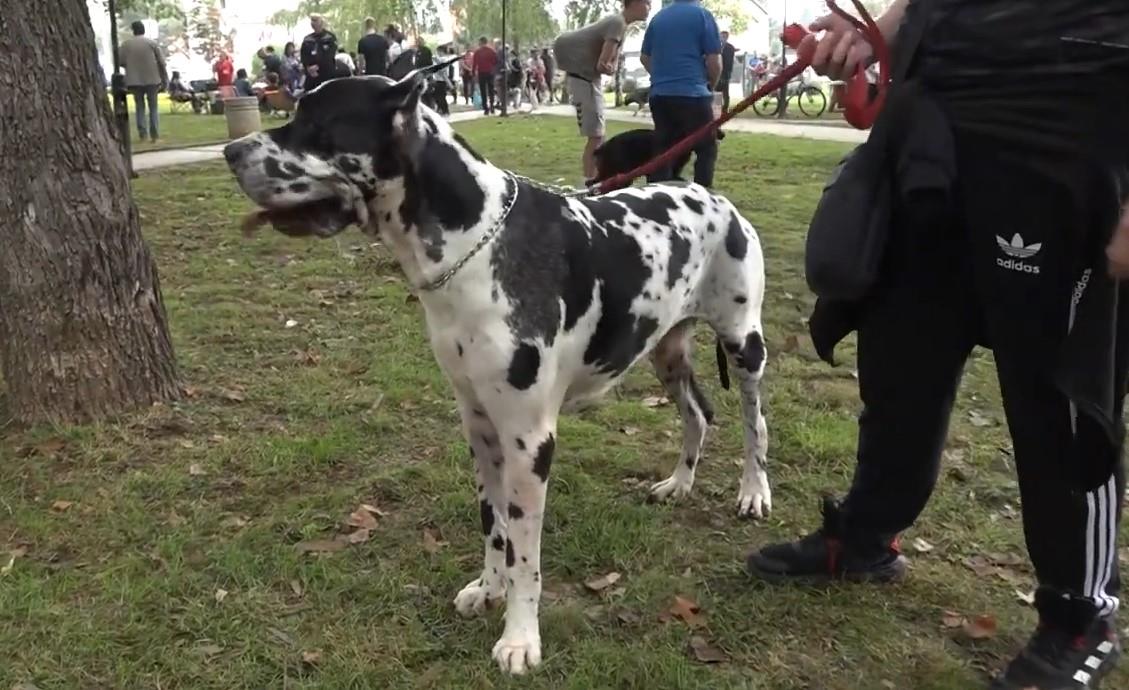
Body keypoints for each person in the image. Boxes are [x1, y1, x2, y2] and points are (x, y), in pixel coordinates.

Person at [743, 1, 1129, 689]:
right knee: (898, 360)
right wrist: (870, 35)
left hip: (1063, 141)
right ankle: (865, 536)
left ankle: (1079, 614)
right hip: (933, 136)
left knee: (1057, 401)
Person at [552, 0, 651, 180]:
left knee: (598, 135)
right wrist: (611, 68)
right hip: (584, 81)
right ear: (634, 3)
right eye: (647, 3)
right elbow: (603, 65)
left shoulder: (620, 25)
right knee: (596, 136)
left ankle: (596, 180)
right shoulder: (617, 23)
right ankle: (590, 183)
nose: (649, 8)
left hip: (587, 80)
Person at [640, 0, 722, 187]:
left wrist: (662, 76)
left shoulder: (658, 18)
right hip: (693, 94)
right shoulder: (703, 16)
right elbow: (714, 60)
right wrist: (710, 85)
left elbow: (645, 57)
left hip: (660, 95)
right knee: (706, 148)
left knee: (664, 149)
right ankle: (703, 195)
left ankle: (657, 195)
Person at [119, 20, 167, 143]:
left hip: (134, 80)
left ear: (133, 31)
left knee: (139, 107)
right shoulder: (151, 43)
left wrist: (131, 66)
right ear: (143, 29)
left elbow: (121, 62)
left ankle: (143, 135)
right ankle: (155, 135)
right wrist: (164, 78)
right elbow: (161, 62)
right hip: (152, 79)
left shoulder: (126, 45)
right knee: (153, 108)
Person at [300, 14, 338, 91]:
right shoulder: (307, 39)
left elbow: (330, 55)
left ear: (321, 22)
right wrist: (308, 68)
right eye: (312, 20)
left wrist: (318, 67)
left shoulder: (330, 37)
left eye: (315, 20)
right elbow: (303, 56)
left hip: (326, 75)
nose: (313, 23)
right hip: (311, 76)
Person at [472, 36, 498, 115]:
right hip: (490, 72)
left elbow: (474, 64)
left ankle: (486, 108)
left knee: (483, 91)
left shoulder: (477, 52)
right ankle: (492, 106)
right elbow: (495, 61)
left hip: (481, 72)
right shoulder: (491, 51)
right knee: (491, 90)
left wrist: (473, 72)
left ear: (481, 42)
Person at [717, 30, 736, 113]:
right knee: (717, 90)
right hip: (718, 71)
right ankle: (718, 106)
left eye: (724, 37)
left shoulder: (730, 47)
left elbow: (729, 61)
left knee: (725, 90)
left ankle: (725, 108)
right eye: (721, 36)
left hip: (725, 72)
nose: (722, 38)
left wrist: (727, 73)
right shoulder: (717, 46)